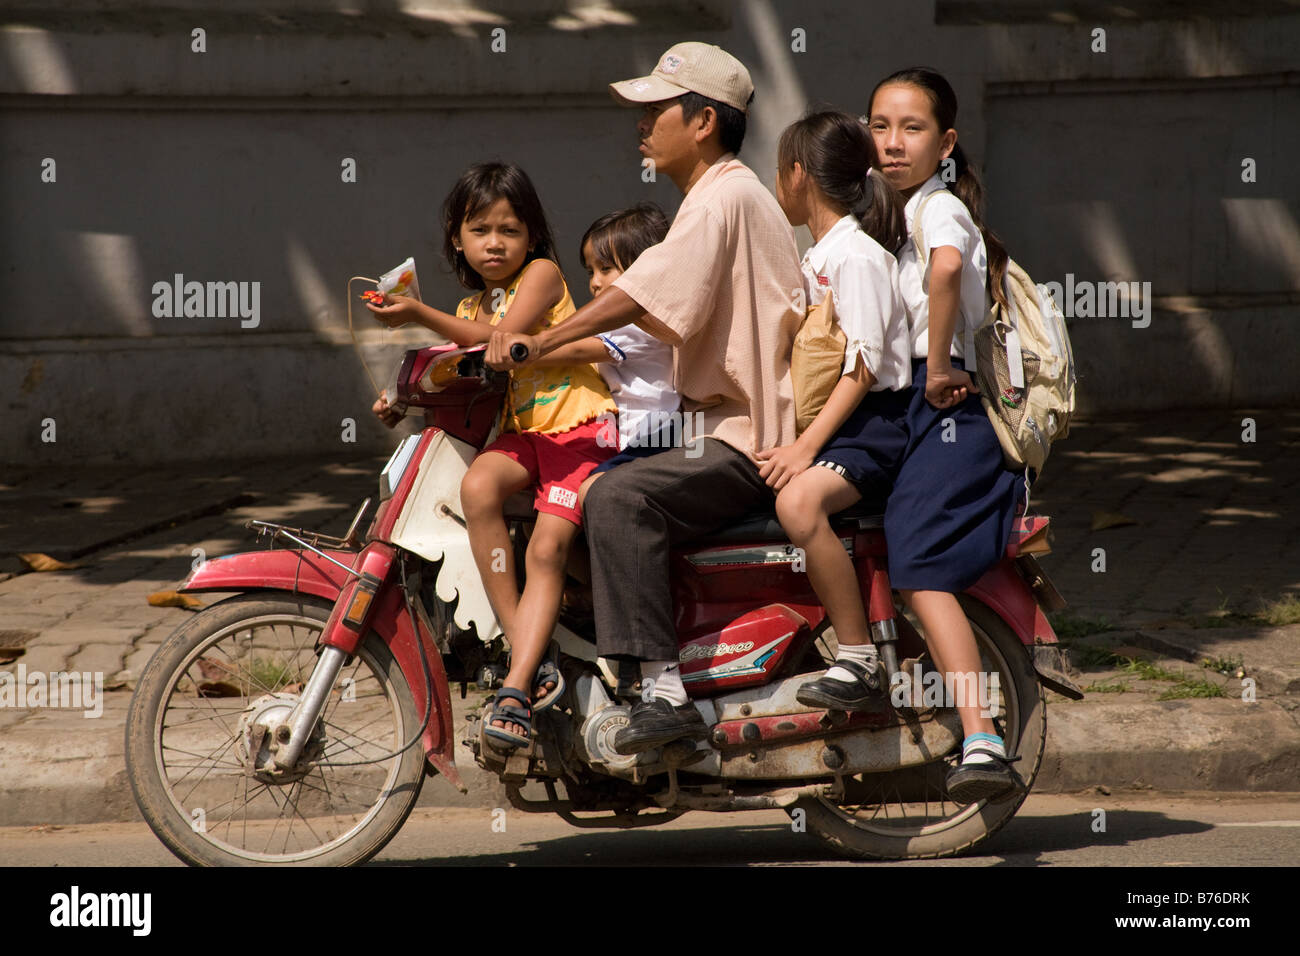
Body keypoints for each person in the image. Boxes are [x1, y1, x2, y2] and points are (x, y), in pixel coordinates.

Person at [486, 42, 803, 755]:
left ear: (702, 122)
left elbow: (637, 293)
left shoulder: (723, 196)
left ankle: (664, 695)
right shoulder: (713, 198)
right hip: (715, 425)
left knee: (617, 498)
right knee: (582, 492)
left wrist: (538, 341)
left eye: (656, 109)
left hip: (745, 434)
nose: (642, 125)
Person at [366, 161, 618, 754]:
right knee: (478, 489)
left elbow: (494, 338)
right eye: (480, 230)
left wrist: (418, 314)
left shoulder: (543, 275)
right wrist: (401, 397)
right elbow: (461, 361)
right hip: (526, 434)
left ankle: (517, 683)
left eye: (509, 229)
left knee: (548, 547)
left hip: (580, 429)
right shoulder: (474, 302)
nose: (495, 243)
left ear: (531, 236)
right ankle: (522, 643)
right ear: (457, 237)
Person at [867, 68, 1029, 803]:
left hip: (952, 411)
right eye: (881, 126)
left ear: (947, 142)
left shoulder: (939, 211)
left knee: (920, 562)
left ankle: (983, 736)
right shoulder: (897, 216)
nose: (893, 143)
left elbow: (947, 271)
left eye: (912, 128)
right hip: (914, 410)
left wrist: (935, 366)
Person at [754, 109, 913, 710]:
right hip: (838, 424)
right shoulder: (817, 255)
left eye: (777, 169)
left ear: (798, 175)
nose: (774, 181)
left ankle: (858, 657)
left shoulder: (858, 257)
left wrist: (804, 447)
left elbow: (864, 365)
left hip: (873, 424)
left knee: (798, 500)